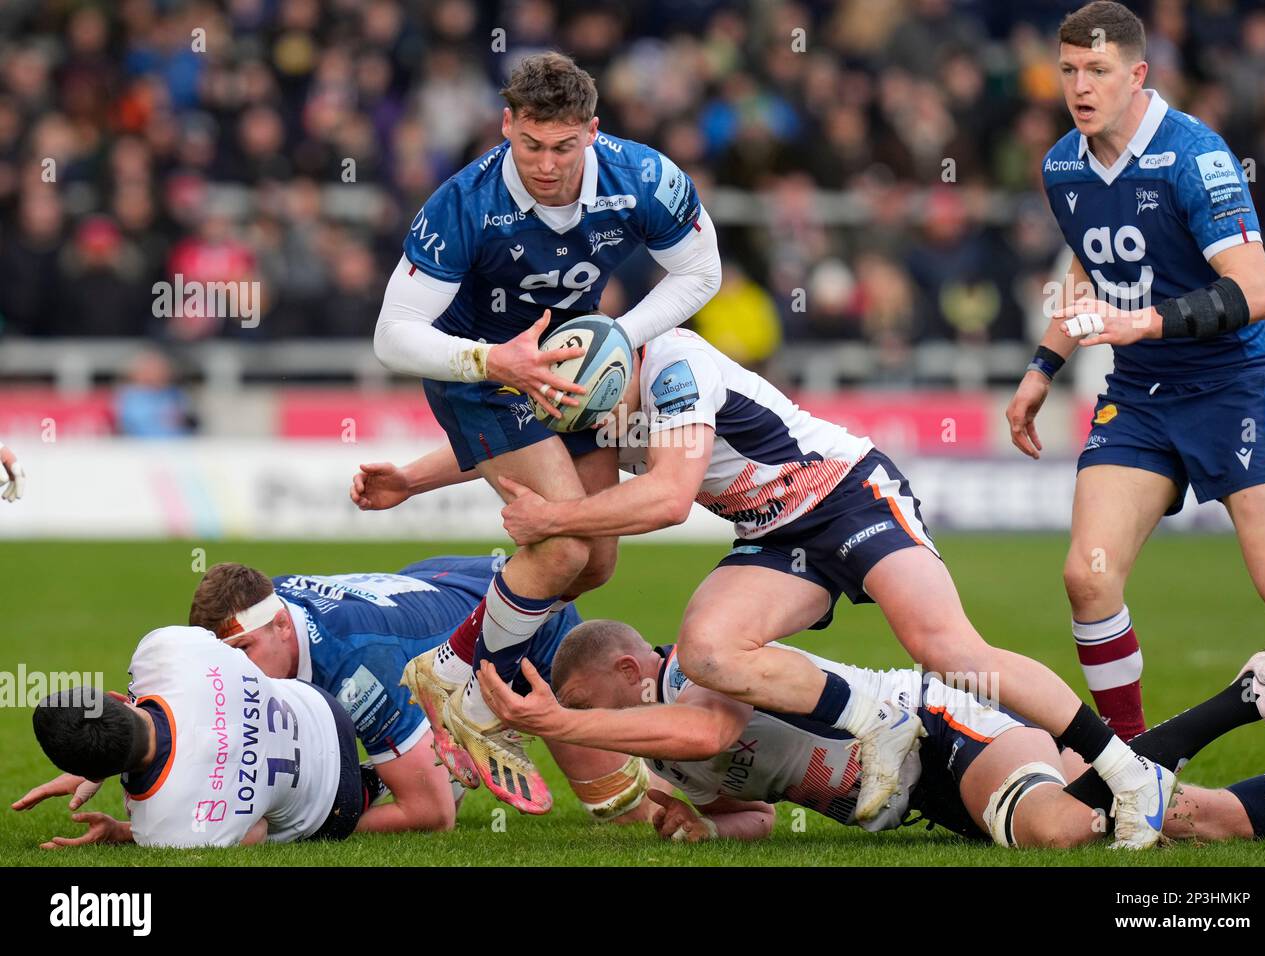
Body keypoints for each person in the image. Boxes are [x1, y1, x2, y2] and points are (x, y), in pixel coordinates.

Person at [370, 326, 1175, 848]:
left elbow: (669, 498)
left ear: (619, 370)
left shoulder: (675, 366)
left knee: (947, 647)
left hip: (848, 493)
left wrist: (550, 516)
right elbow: (517, 442)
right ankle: (873, 722)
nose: (581, 422)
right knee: (710, 652)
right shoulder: (593, 387)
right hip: (776, 533)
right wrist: (412, 479)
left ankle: (1125, 763)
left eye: (587, 408)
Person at [370, 51, 721, 811]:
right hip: (485, 375)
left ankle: (485, 653)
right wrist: (494, 359)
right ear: (507, 127)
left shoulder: (644, 178)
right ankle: (459, 681)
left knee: (590, 567)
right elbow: (393, 335)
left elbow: (701, 272)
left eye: (564, 147)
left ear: (593, 133)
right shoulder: (462, 205)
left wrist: (617, 337)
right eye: (531, 145)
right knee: (559, 541)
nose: (547, 164)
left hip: (574, 371)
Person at [1005, 2, 1265, 744]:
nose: (1080, 85)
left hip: (1230, 390)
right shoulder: (1063, 164)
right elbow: (1088, 265)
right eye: (1069, 69)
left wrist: (1149, 321)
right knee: (1088, 577)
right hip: (1139, 398)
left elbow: (1257, 291)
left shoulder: (1194, 155)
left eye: (1097, 70)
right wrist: (1044, 365)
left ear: (1138, 74)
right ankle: (1132, 760)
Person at [477, 619, 1265, 848]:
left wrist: (556, 722)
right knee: (1195, 820)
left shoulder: (703, 664)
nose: (604, 736)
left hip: (934, 729)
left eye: (600, 712)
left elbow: (708, 733)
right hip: (926, 801)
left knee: (1061, 830)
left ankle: (1245, 694)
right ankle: (1252, 709)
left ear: (630, 672)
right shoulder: (668, 745)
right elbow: (758, 814)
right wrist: (689, 822)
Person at [187, 556, 653, 825]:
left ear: (283, 624)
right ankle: (447, 737)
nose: (234, 669)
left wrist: (301, 828)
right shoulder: (273, 603)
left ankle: (697, 720)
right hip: (440, 591)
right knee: (414, 761)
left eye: (244, 649)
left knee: (622, 805)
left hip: (520, 625)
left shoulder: (356, 665)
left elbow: (429, 816)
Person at [16, 625, 364, 848]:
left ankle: (369, 785)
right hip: (320, 706)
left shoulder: (163, 827)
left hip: (334, 807)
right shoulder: (163, 650)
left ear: (95, 774)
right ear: (115, 698)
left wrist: (120, 830)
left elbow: (255, 831)